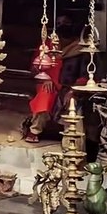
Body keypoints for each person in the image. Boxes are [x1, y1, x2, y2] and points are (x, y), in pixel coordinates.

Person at [25, 15, 84, 143]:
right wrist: (46, 77)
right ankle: (34, 130)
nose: (62, 25)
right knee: (45, 95)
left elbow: (85, 73)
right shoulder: (48, 44)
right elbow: (36, 66)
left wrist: (74, 90)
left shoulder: (80, 47)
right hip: (49, 82)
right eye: (59, 23)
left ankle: (71, 139)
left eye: (66, 22)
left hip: (70, 86)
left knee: (72, 102)